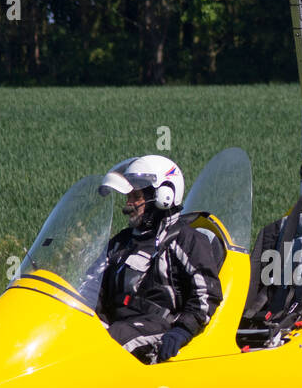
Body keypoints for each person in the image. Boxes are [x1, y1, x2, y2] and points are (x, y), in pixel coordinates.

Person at [86, 155, 222, 363]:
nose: (128, 204)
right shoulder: (122, 242)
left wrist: (182, 330)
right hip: (116, 322)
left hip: (159, 325)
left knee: (112, 340)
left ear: (163, 196)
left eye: (136, 196)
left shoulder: (187, 240)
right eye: (128, 196)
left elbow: (207, 294)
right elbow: (90, 284)